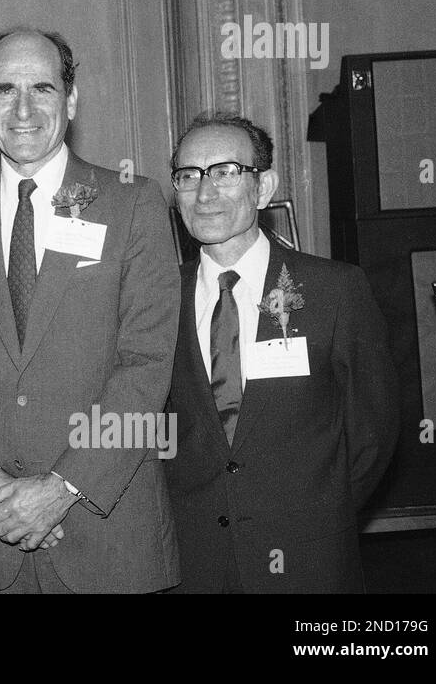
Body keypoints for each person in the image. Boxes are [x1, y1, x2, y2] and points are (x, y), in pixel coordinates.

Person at [0, 27, 181, 593]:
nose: (23, 108)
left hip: (107, 533)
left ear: (71, 101)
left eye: (42, 89)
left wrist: (60, 490)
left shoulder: (132, 203)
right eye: (4, 90)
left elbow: (146, 367)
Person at [165, 112, 398, 592]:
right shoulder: (155, 298)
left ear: (264, 187)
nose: (204, 194)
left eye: (226, 172)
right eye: (188, 176)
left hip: (309, 559)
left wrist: (313, 514)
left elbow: (373, 431)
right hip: (195, 564)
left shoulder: (334, 291)